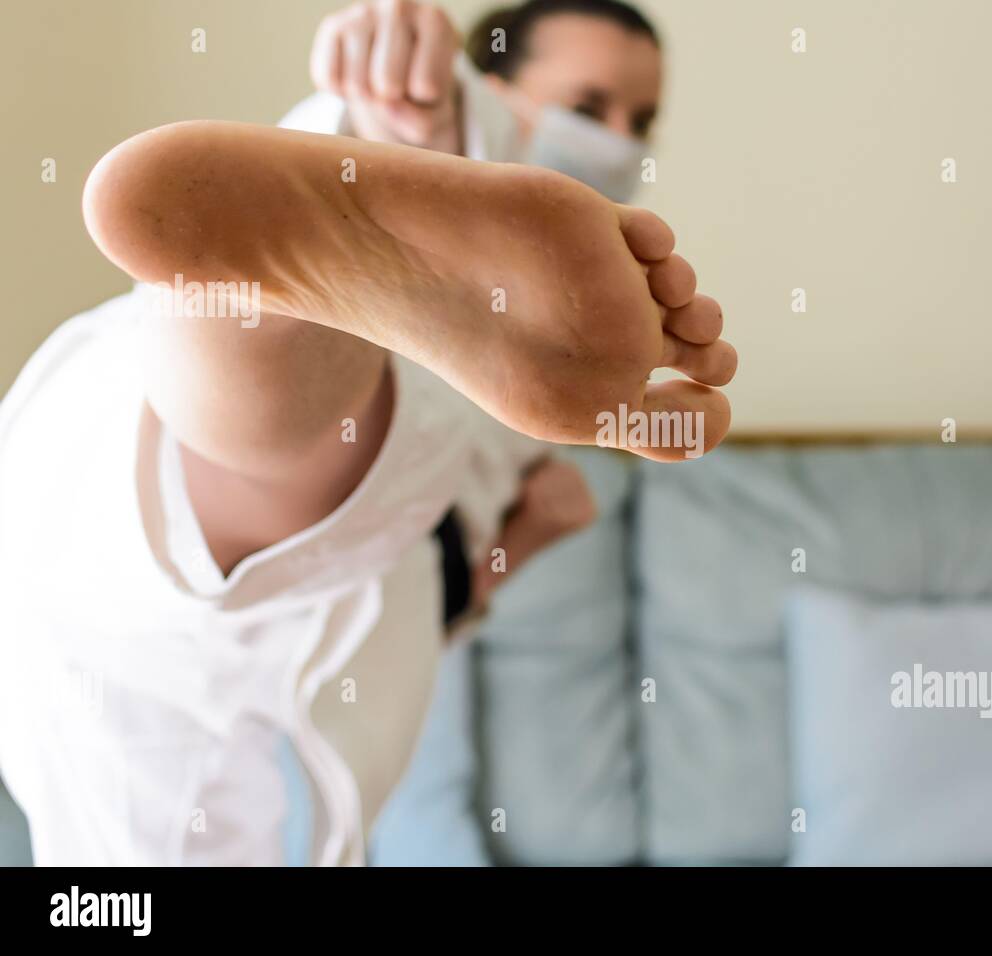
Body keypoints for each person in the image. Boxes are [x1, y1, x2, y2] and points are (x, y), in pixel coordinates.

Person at [0, 0, 734, 865]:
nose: (620, 141)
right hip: (296, 510)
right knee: (255, 480)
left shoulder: (532, 369)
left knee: (246, 459)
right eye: (588, 107)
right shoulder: (531, 335)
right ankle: (334, 226)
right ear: (495, 85)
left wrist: (524, 534)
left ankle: (283, 284)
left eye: (640, 122)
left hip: (165, 459)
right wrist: (410, 91)